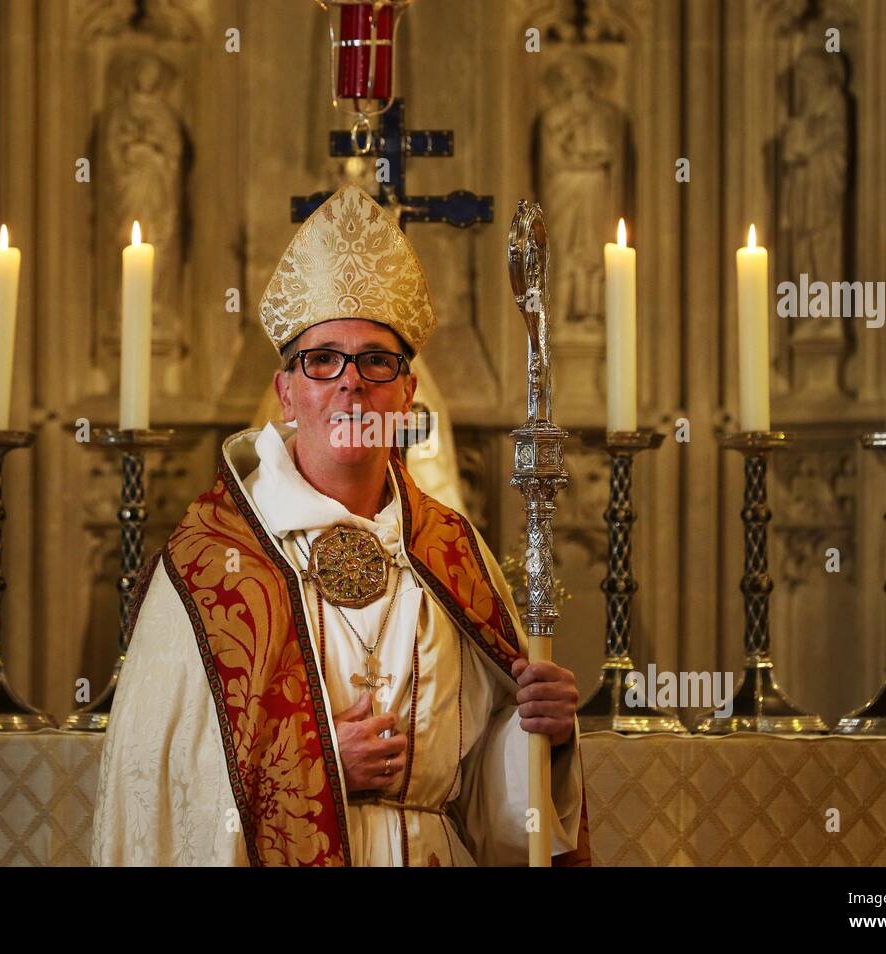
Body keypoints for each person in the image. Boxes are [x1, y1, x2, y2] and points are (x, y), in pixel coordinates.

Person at [92, 184, 588, 866]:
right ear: (286, 392)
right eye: (322, 360)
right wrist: (317, 766)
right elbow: (153, 784)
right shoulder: (211, 561)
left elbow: (484, 795)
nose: (351, 382)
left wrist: (543, 737)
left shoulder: (453, 552)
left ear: (407, 393)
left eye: (377, 360)